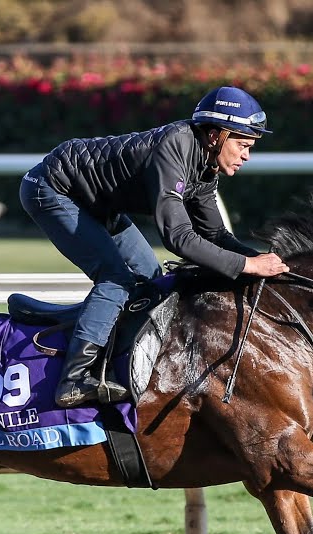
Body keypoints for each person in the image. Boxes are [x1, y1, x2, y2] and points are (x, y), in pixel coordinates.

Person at [19, 85, 290, 408]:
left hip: (98, 203)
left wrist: (261, 260)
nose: (247, 155)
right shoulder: (175, 146)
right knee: (116, 278)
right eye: (243, 145)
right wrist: (248, 266)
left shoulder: (205, 165)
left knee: (149, 278)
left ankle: (108, 352)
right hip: (53, 189)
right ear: (216, 135)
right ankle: (73, 380)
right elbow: (177, 237)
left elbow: (215, 235)